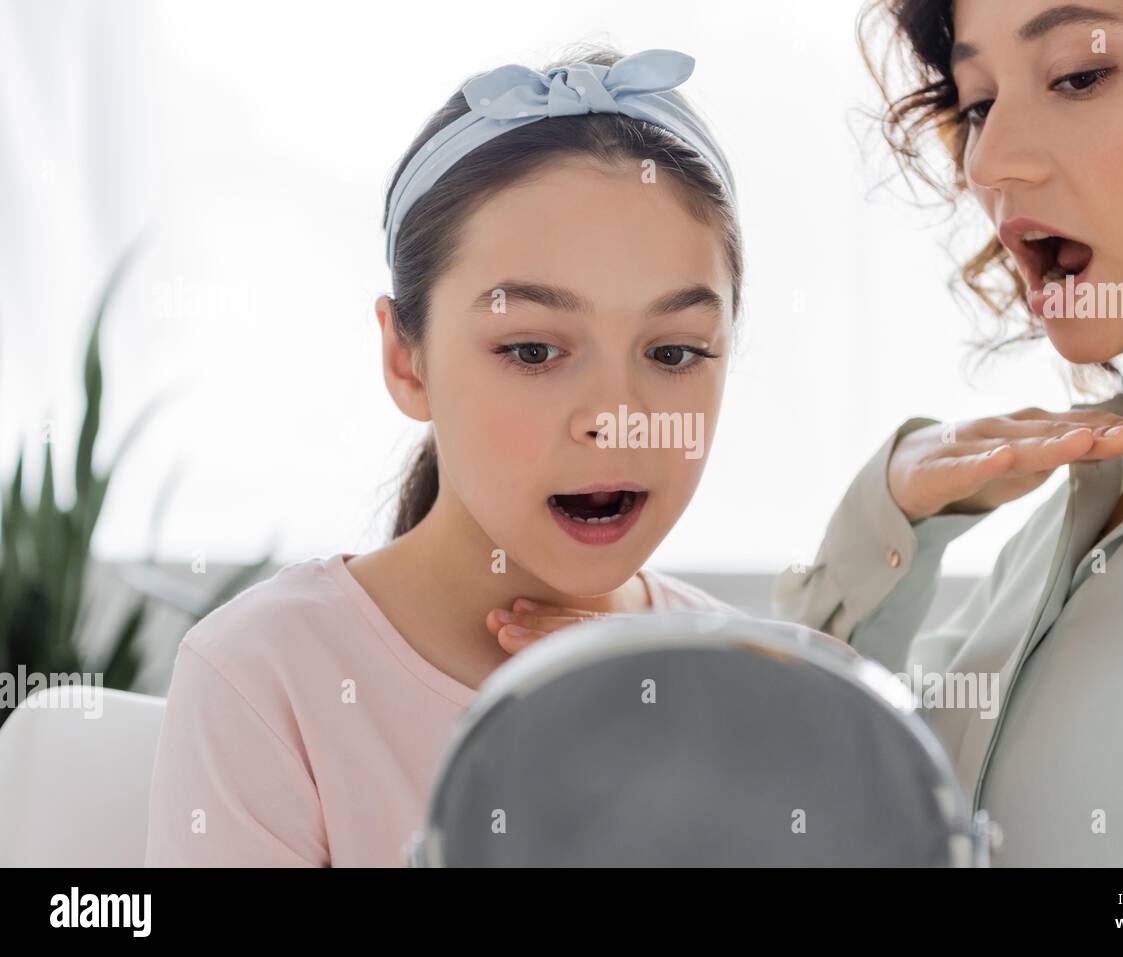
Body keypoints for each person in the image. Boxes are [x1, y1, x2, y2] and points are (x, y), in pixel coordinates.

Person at [145, 46, 743, 867]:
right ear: (407, 359)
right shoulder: (264, 681)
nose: (619, 422)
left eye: (674, 353)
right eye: (533, 350)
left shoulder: (763, 691)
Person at [774, 0, 1123, 865]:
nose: (992, 161)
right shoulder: (1088, 501)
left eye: (1079, 76)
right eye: (978, 103)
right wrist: (890, 517)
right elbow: (843, 819)